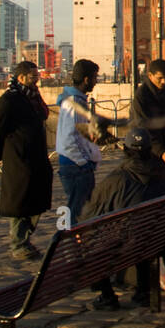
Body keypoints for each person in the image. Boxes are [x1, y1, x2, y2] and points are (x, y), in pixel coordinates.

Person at [82, 127, 165, 309]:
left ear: (125, 150)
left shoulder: (117, 178)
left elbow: (89, 214)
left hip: (128, 245)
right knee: (139, 230)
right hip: (158, 239)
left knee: (89, 241)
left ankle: (107, 296)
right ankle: (142, 291)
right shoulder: (162, 175)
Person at [0, 61, 53, 261]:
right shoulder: (9, 100)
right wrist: (4, 156)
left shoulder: (33, 98)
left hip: (37, 157)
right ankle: (18, 243)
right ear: (22, 77)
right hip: (18, 159)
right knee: (20, 202)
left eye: (37, 77)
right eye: (33, 77)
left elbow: (42, 115)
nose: (37, 81)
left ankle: (25, 238)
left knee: (36, 199)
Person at [55, 59, 103, 223]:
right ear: (86, 79)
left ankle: (76, 243)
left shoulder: (75, 100)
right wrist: (84, 162)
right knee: (76, 213)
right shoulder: (74, 103)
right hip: (75, 166)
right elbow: (70, 137)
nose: (96, 82)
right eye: (95, 78)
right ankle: (65, 244)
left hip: (76, 164)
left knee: (80, 211)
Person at [130, 59, 165, 170]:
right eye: (160, 78)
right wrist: (162, 152)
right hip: (144, 148)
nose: (163, 81)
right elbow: (142, 125)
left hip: (162, 144)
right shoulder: (141, 95)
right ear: (150, 75)